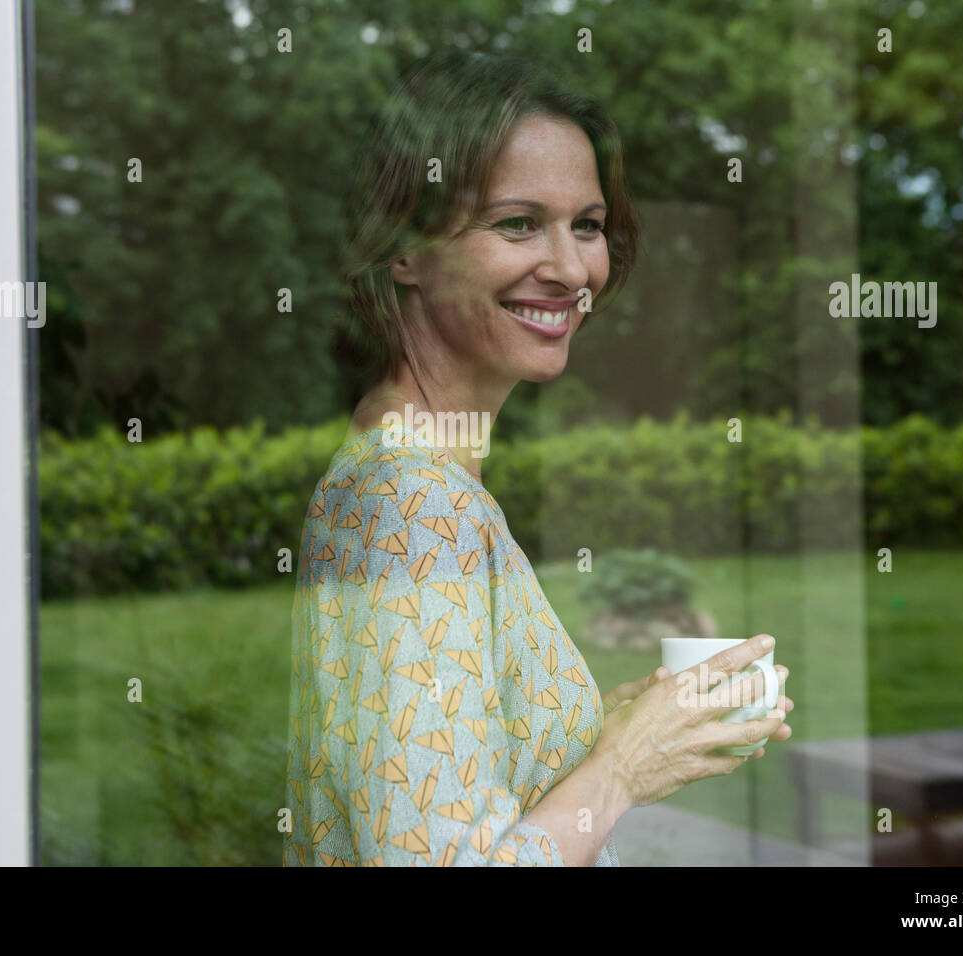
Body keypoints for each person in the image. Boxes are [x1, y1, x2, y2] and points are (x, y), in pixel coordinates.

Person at [283, 49, 793, 866]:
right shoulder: (417, 508)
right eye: (517, 223)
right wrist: (626, 768)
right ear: (403, 249)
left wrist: (618, 723)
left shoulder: (420, 477)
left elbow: (451, 778)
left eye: (586, 226)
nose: (569, 270)